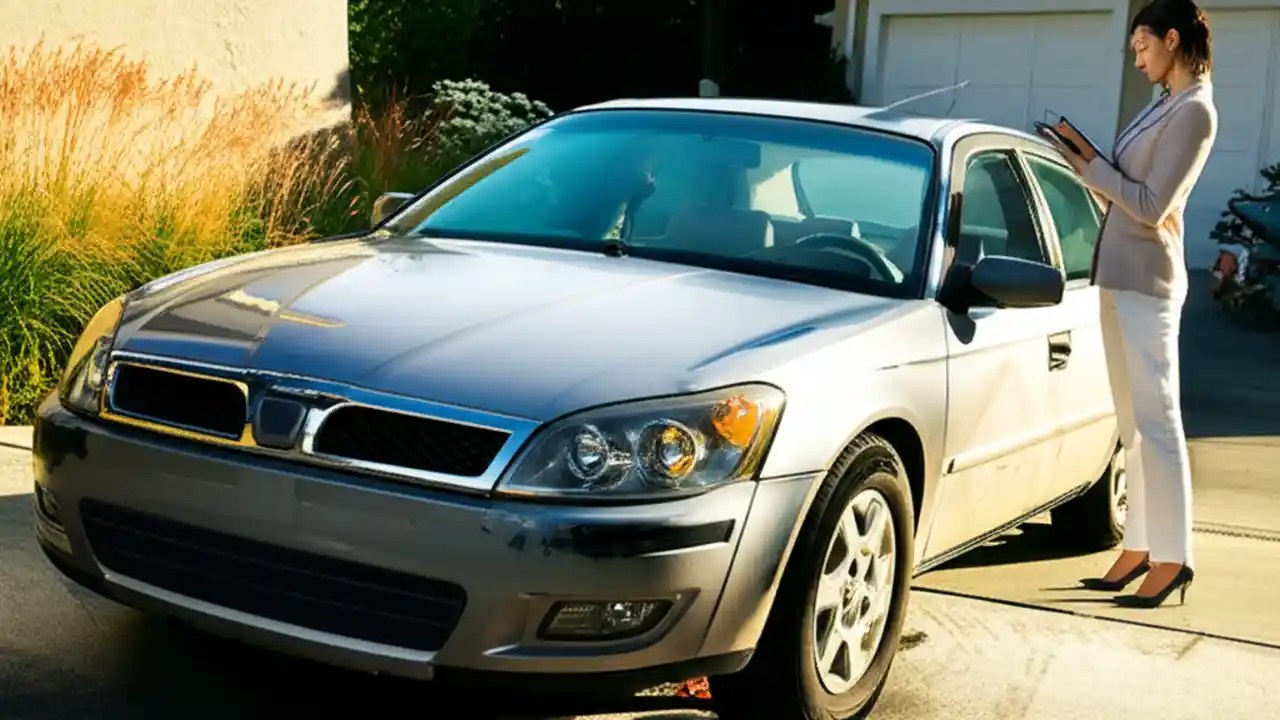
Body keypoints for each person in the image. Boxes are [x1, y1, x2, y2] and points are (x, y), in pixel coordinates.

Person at [1049, 0, 1218, 609]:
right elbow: (1132, 187)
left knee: (1159, 421)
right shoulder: (1163, 104)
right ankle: (1141, 546)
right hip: (1118, 277)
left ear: (1173, 40)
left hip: (1150, 280)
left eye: (1143, 45)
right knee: (1131, 425)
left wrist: (1090, 167)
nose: (1137, 57)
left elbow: (1150, 203)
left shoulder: (1196, 112)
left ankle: (1174, 558)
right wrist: (1091, 162)